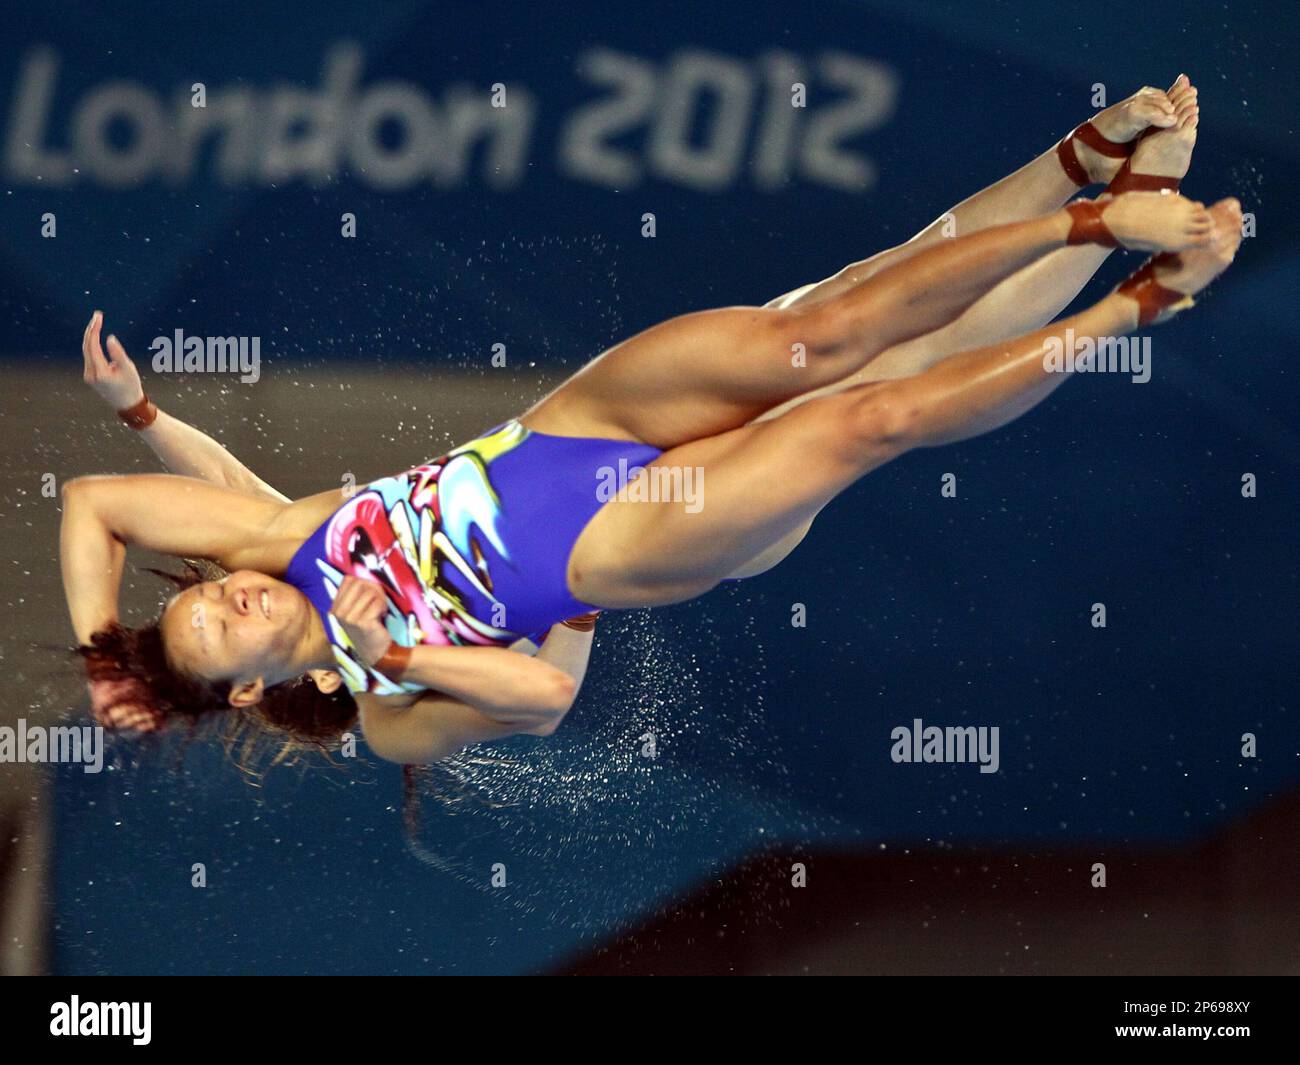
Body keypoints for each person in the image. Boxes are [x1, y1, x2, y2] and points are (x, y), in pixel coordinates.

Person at [65, 77, 1239, 765]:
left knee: (828, 328)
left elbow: (96, 502)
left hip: (569, 430)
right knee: (874, 412)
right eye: (220, 631)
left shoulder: (280, 541)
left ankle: (1088, 180)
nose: (229, 601)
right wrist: (399, 656)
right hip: (617, 543)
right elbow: (545, 702)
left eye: (207, 596)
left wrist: (103, 647)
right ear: (246, 690)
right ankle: (1129, 281)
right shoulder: (385, 714)